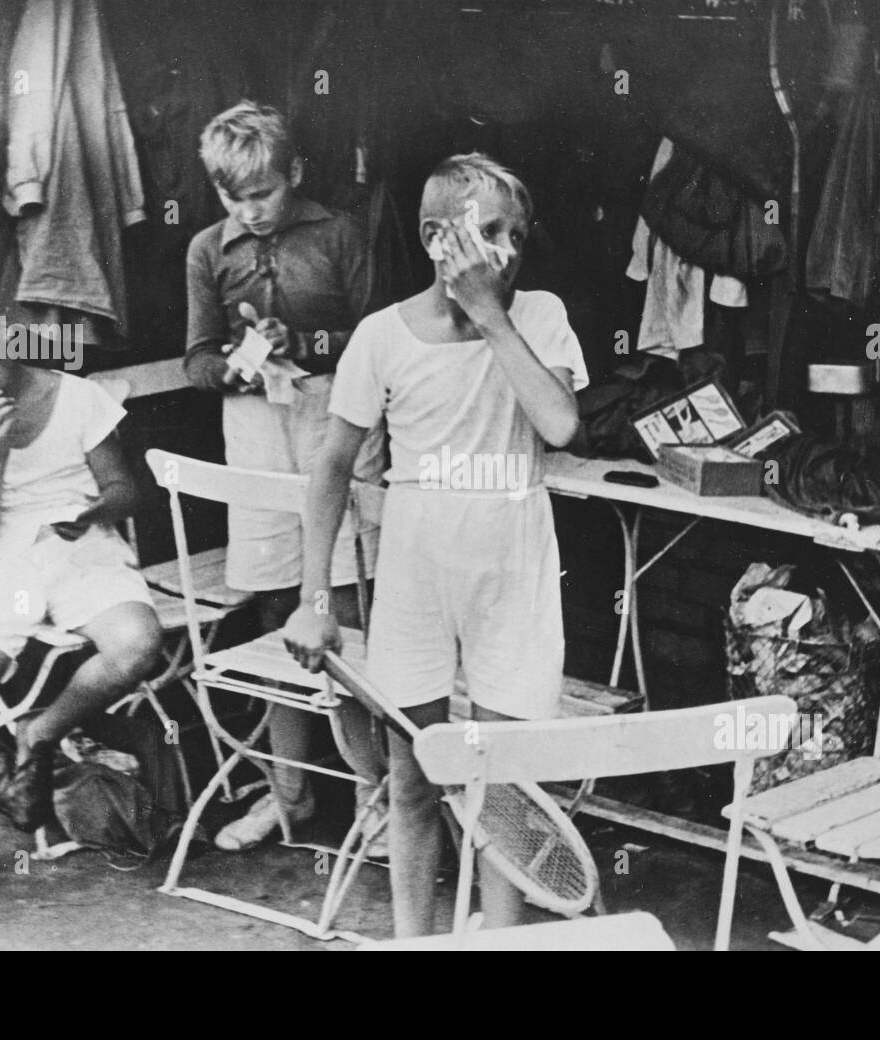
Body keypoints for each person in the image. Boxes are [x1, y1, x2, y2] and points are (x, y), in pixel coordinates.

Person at [283, 153, 589, 936]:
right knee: (413, 774)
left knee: (504, 784)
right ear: (434, 237)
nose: (508, 251)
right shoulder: (382, 336)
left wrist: (493, 316)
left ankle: (501, 938)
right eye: (489, 232)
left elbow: (557, 425)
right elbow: (329, 474)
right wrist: (315, 602)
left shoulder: (539, 315)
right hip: (418, 558)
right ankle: (414, 939)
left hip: (514, 551)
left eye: (518, 235)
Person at [0, 279, 163, 900]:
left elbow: (128, 492)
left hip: (77, 543)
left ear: (6, 324)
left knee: (137, 645)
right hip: (0, 555)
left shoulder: (75, 396)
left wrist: (94, 510)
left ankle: (40, 732)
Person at [185, 101, 387, 852]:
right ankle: (290, 795)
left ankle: (378, 795)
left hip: (335, 416)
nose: (250, 210)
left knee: (345, 608)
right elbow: (196, 357)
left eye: (262, 193)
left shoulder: (338, 233)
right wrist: (231, 369)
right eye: (233, 197)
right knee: (278, 610)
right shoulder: (209, 249)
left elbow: (374, 336)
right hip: (255, 429)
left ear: (293, 173)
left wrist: (302, 338)